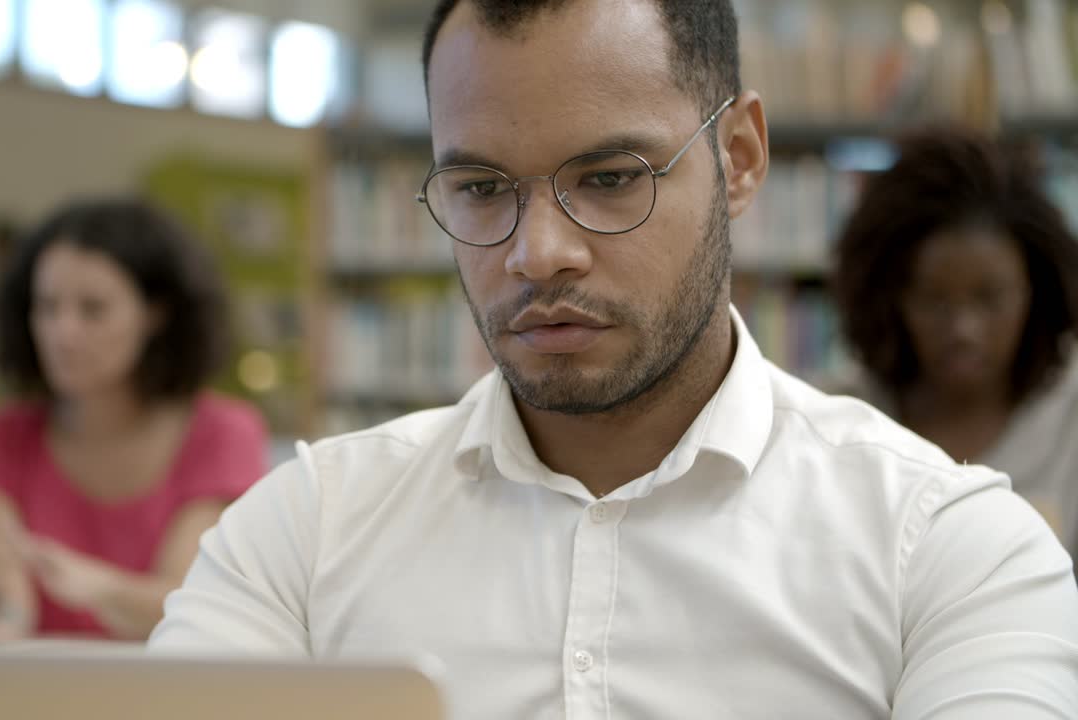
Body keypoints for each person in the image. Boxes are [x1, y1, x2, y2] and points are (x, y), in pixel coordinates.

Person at [150, 1, 1078, 716]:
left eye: (609, 178)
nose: (538, 253)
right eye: (480, 187)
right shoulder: (302, 533)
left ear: (740, 158)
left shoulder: (949, 549)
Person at [0, 198, 268, 641]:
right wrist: (3, 626)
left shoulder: (220, 434)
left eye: (93, 309)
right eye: (47, 307)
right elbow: (4, 594)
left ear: (155, 314)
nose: (63, 332)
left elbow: (188, 607)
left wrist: (96, 587)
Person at [832, 127, 1078, 557]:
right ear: (890, 299)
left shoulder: (1069, 419)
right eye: (934, 300)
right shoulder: (837, 418)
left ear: (1037, 292)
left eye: (991, 298)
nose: (964, 329)